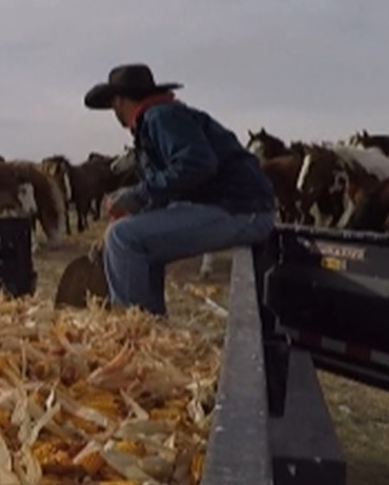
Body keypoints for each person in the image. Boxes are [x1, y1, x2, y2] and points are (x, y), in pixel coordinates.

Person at [82, 63, 277, 316]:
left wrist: (138, 194)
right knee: (134, 239)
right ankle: (151, 328)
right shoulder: (161, 118)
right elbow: (177, 184)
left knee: (124, 238)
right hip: (239, 208)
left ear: (119, 101)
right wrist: (137, 209)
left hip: (239, 209)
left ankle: (130, 333)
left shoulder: (161, 117)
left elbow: (197, 164)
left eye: (112, 105)